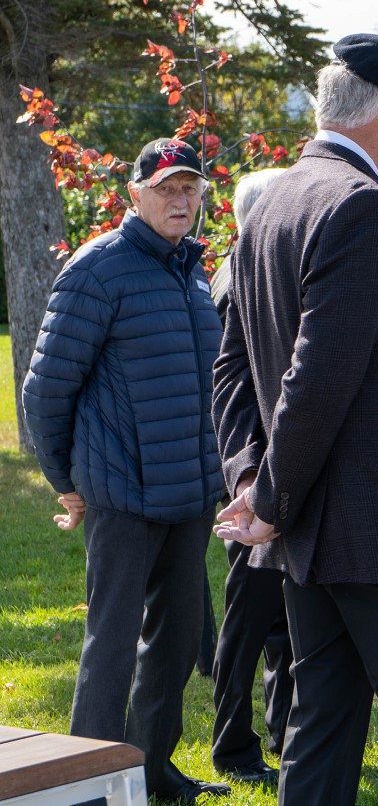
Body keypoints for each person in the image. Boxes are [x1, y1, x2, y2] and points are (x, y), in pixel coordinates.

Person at [211, 33, 378, 806]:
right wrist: (266, 495)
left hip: (308, 538)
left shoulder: (275, 199)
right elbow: (314, 378)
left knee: (320, 728)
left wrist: (255, 478)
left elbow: (233, 368)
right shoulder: (356, 205)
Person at [22, 137, 230, 803]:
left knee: (171, 648)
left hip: (189, 495)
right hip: (123, 495)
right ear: (134, 196)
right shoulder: (98, 269)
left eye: (190, 189)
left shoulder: (190, 269)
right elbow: (46, 389)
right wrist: (67, 479)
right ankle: (84, 783)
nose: (181, 200)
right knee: (111, 646)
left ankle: (151, 770)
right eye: (167, 188)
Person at [207, 167, 293, 786]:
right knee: (249, 616)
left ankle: (288, 734)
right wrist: (251, 481)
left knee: (286, 619)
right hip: (253, 475)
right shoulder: (240, 276)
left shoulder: (256, 267)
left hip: (282, 472)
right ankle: (233, 746)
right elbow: (238, 387)